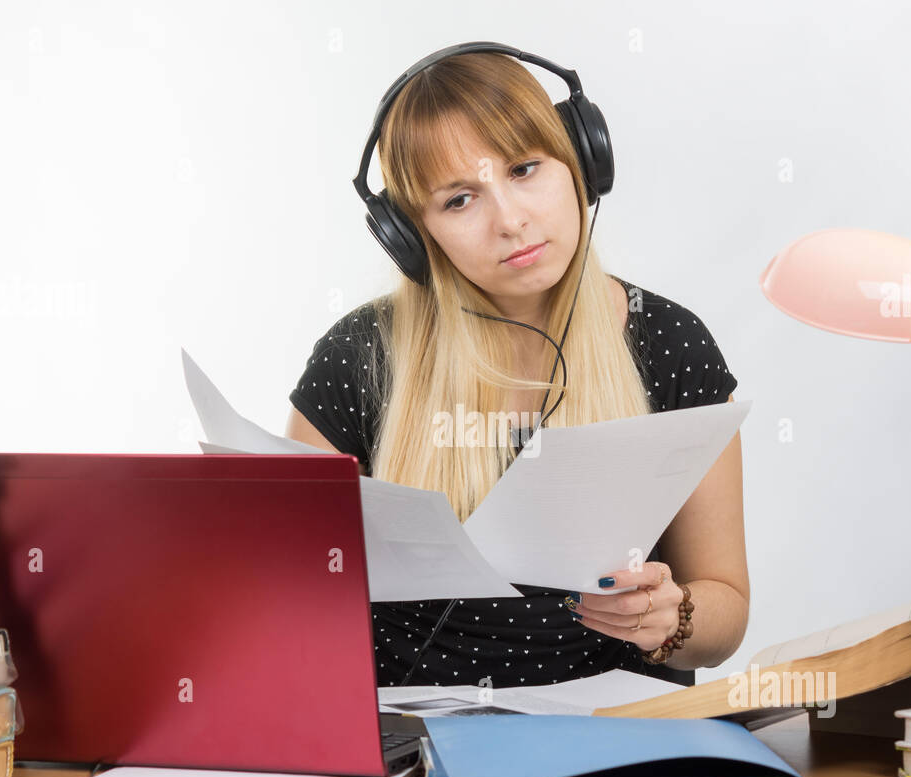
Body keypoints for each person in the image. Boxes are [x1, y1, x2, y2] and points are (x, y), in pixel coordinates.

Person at [286, 48, 748, 688]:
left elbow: (725, 611)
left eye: (525, 168)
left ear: (581, 162)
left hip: (610, 754)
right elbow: (286, 597)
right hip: (412, 752)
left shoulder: (672, 344)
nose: (511, 221)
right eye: (459, 200)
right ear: (413, 235)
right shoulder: (358, 356)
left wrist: (674, 616)